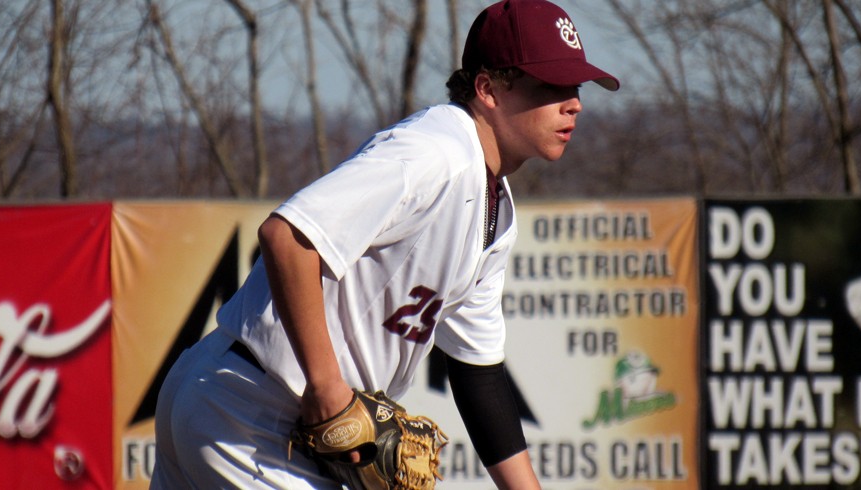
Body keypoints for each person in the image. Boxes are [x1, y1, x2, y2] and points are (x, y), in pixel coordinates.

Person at [150, 0, 618, 488]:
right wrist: (327, 385)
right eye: (551, 86)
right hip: (251, 413)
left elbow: (478, 373)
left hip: (237, 402)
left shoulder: (494, 209)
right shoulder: (435, 152)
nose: (574, 103)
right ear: (488, 89)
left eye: (576, 87)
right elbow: (287, 237)